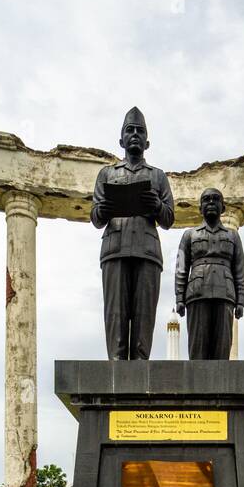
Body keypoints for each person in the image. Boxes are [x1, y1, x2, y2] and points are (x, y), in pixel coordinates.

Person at [91, 107, 175, 360]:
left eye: (140, 131)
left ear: (147, 142)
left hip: (147, 252)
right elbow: (95, 217)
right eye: (130, 130)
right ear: (121, 140)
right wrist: (103, 210)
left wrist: (157, 206)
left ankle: (140, 372)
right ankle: (116, 370)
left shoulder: (158, 176)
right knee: (115, 315)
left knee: (144, 316)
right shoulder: (107, 174)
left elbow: (169, 218)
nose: (135, 134)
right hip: (115, 249)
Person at [175, 187, 244, 359]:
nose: (211, 203)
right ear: (200, 208)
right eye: (206, 199)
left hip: (225, 294)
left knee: (222, 350)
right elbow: (181, 268)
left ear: (223, 207)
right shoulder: (189, 235)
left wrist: (241, 301)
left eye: (216, 199)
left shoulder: (233, 235)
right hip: (197, 293)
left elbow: (239, 270)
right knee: (197, 348)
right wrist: (179, 298)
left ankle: (220, 386)